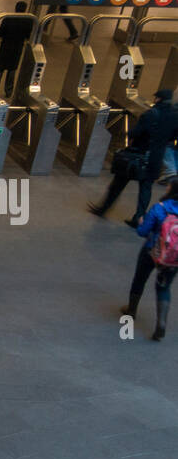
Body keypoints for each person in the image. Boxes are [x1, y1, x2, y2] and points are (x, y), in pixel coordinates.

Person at [90, 90, 178, 226]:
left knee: (118, 184)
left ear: (159, 99)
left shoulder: (151, 114)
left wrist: (129, 134)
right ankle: (138, 218)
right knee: (146, 189)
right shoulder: (174, 117)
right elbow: (173, 137)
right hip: (155, 157)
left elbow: (136, 132)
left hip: (137, 155)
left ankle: (103, 209)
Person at [122, 179, 178, 341]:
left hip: (151, 250)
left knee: (140, 278)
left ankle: (131, 310)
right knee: (163, 287)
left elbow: (142, 231)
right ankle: (161, 323)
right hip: (173, 258)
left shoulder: (159, 208)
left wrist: (141, 222)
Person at [0, 3, 34, 98]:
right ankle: (9, 91)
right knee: (12, 70)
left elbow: (0, 33)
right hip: (17, 48)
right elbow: (28, 35)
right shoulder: (28, 20)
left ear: (15, 8)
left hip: (5, 46)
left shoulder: (8, 18)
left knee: (0, 69)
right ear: (25, 9)